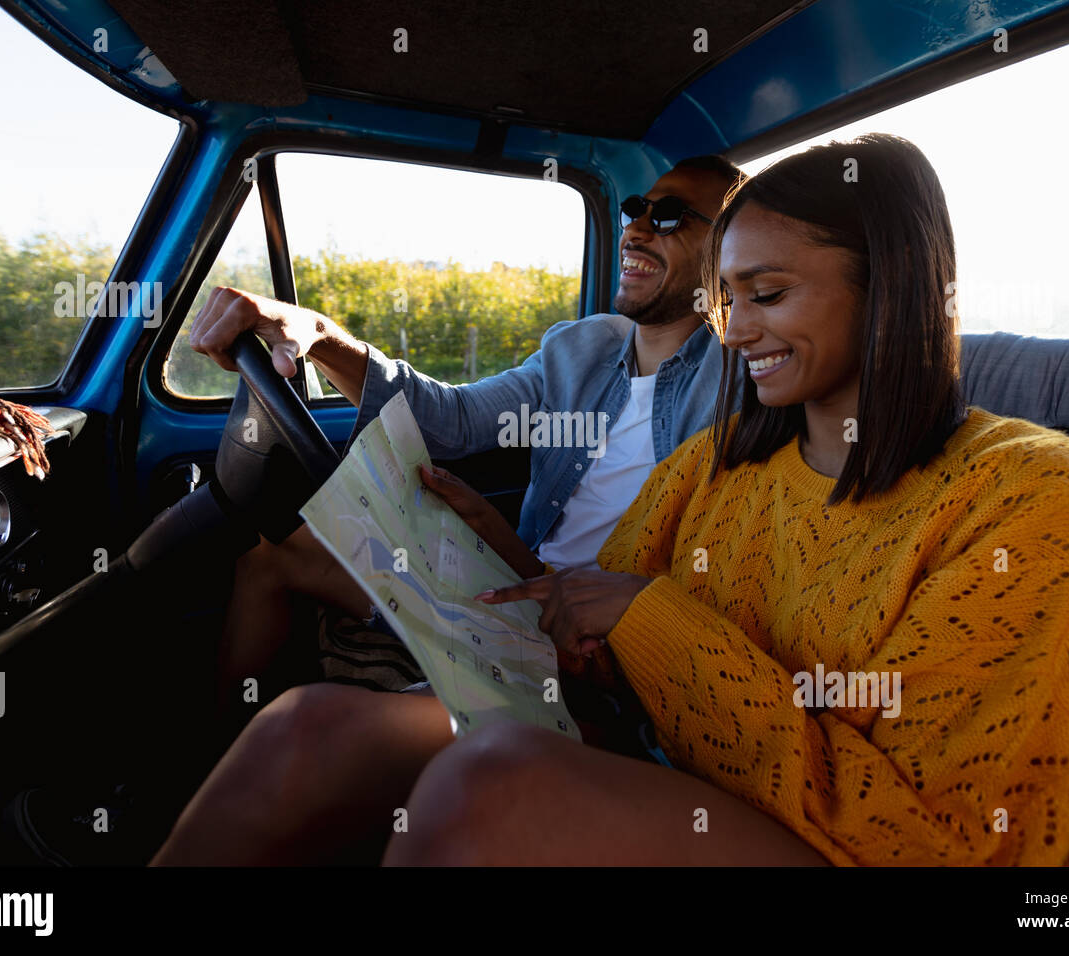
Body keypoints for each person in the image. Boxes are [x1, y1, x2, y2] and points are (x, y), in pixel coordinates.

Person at [157, 132, 1069, 866]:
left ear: (891, 291)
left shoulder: (1034, 493)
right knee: (306, 727)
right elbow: (605, 642)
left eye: (769, 294)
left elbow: (939, 835)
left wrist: (645, 621)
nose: (737, 329)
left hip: (856, 847)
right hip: (663, 758)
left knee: (487, 789)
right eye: (728, 298)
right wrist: (523, 567)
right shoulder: (716, 463)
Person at [188, 155, 743, 708]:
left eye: (670, 216)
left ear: (730, 250)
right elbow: (451, 421)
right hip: (514, 584)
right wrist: (319, 332)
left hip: (602, 641)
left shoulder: (747, 381)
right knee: (270, 552)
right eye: (635, 210)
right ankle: (202, 770)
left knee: (312, 720)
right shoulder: (580, 348)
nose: (638, 229)